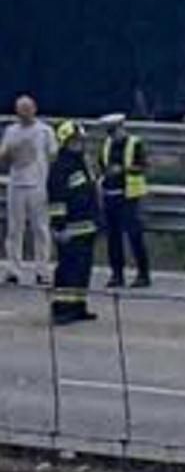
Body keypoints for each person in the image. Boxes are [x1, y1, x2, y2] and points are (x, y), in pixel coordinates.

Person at [46, 120, 99, 325]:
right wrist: (59, 225)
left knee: (82, 269)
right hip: (70, 229)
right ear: (65, 142)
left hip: (86, 227)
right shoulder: (61, 166)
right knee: (68, 269)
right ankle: (62, 309)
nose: (79, 144)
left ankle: (77, 306)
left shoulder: (82, 163)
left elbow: (90, 194)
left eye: (80, 140)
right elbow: (57, 199)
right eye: (74, 141)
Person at [1, 95, 56, 287]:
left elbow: (53, 155)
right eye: (20, 109)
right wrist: (8, 154)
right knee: (14, 230)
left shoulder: (45, 131)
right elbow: (4, 156)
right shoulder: (11, 131)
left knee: (40, 229)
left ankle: (42, 270)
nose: (24, 113)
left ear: (34, 109)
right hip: (16, 184)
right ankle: (13, 270)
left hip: (38, 185)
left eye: (27, 108)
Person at [96, 113, 152, 290]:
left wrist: (124, 169)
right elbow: (101, 166)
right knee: (113, 238)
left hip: (130, 195)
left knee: (135, 235)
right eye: (109, 132)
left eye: (114, 131)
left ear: (122, 128)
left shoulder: (135, 143)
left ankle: (143, 274)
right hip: (110, 194)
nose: (112, 135)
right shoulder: (106, 144)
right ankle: (117, 274)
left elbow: (144, 165)